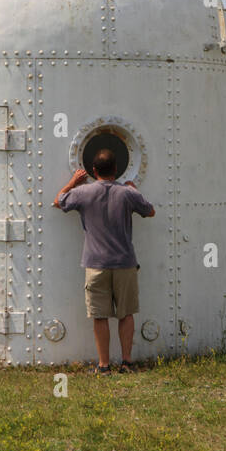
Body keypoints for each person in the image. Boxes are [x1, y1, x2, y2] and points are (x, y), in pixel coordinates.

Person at [53, 147, 155, 374]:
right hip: (125, 263)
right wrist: (136, 191)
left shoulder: (84, 192)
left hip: (96, 264)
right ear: (117, 170)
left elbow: (58, 201)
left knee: (99, 316)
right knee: (126, 313)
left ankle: (104, 365)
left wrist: (73, 182)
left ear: (93, 170)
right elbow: (150, 212)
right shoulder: (127, 194)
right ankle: (127, 362)